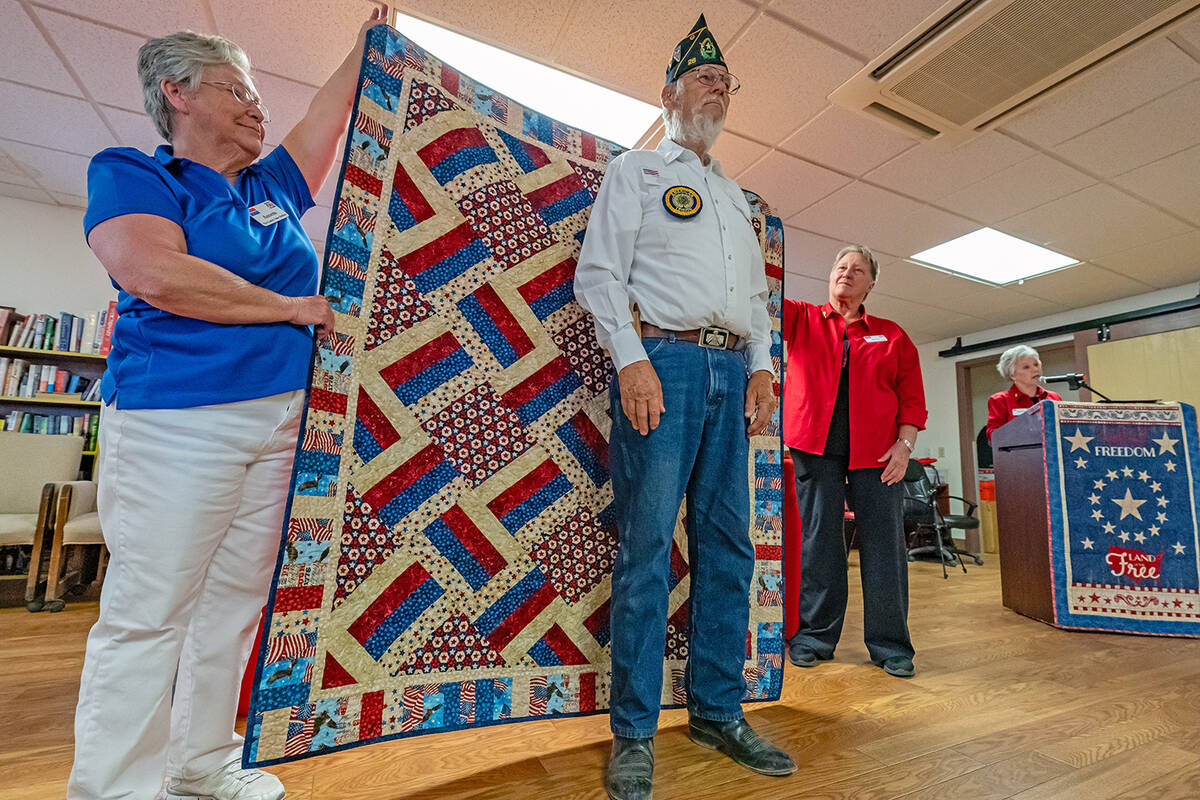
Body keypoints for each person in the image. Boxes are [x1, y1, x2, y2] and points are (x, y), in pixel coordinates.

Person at [68, 8, 386, 800]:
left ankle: (202, 767)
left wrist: (367, 47)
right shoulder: (133, 173)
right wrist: (288, 308)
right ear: (176, 92)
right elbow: (155, 274)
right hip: (177, 422)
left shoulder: (270, 184)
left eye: (257, 94)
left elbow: (323, 117)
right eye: (236, 90)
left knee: (234, 608)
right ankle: (113, 791)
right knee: (150, 614)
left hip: (280, 423)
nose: (257, 105)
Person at [575, 15, 795, 800]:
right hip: (662, 362)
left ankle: (715, 710)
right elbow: (599, 275)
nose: (719, 89)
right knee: (644, 548)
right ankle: (634, 733)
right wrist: (632, 361)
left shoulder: (738, 199)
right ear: (668, 92)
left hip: (732, 374)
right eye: (704, 76)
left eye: (726, 82)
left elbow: (756, 302)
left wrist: (763, 369)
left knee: (729, 548)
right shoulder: (635, 171)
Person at [782, 245, 927, 679]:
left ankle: (890, 645)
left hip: (879, 453)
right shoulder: (802, 318)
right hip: (814, 445)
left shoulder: (892, 334)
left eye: (857, 269)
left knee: (884, 546)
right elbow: (760, 294)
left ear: (871, 284)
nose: (847, 273)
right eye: (840, 267)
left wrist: (904, 446)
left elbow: (913, 399)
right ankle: (813, 637)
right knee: (820, 541)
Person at [985, 344, 1061, 441]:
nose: (1035, 369)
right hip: (1020, 455)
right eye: (1026, 367)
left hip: (1052, 454)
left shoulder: (1053, 397)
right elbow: (994, 435)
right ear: (1012, 374)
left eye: (1036, 364)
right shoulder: (1000, 400)